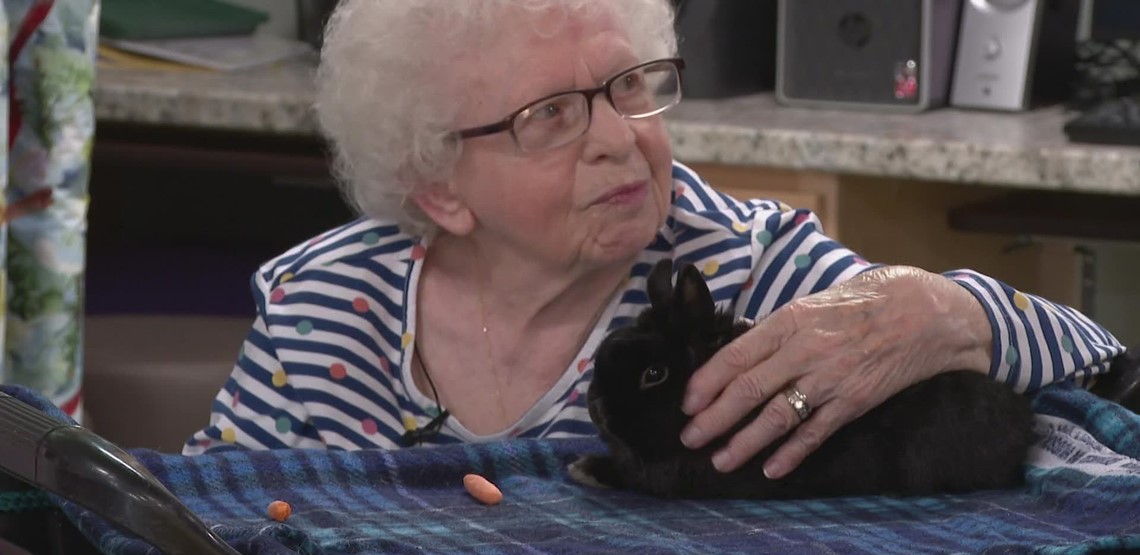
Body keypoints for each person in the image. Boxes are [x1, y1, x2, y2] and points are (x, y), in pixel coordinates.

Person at [182, 0, 1125, 481]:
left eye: (630, 86)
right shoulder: (321, 303)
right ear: (440, 185)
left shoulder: (744, 269)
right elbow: (191, 526)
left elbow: (1097, 362)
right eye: (552, 116)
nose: (620, 136)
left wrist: (949, 309)